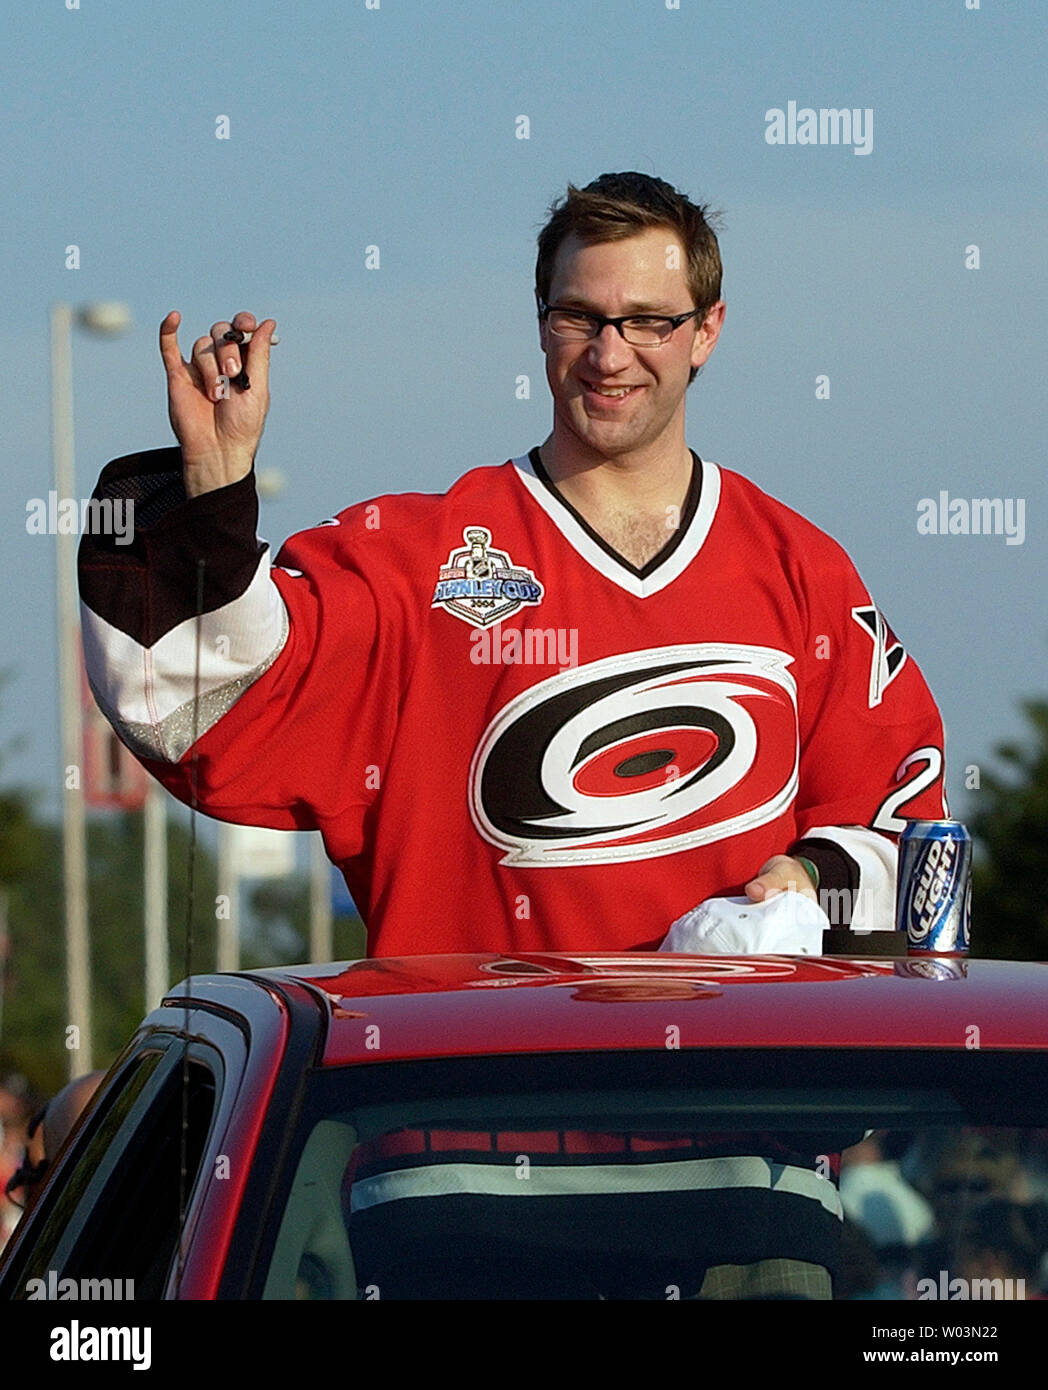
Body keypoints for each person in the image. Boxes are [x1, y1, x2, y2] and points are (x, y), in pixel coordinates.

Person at [77, 171, 948, 955]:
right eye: (580, 316)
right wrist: (213, 493)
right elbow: (195, 714)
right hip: (467, 1113)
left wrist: (806, 881)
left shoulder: (801, 573)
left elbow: (916, 845)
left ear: (707, 331)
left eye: (648, 320)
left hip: (719, 1116)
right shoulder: (411, 565)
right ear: (540, 322)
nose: (610, 354)